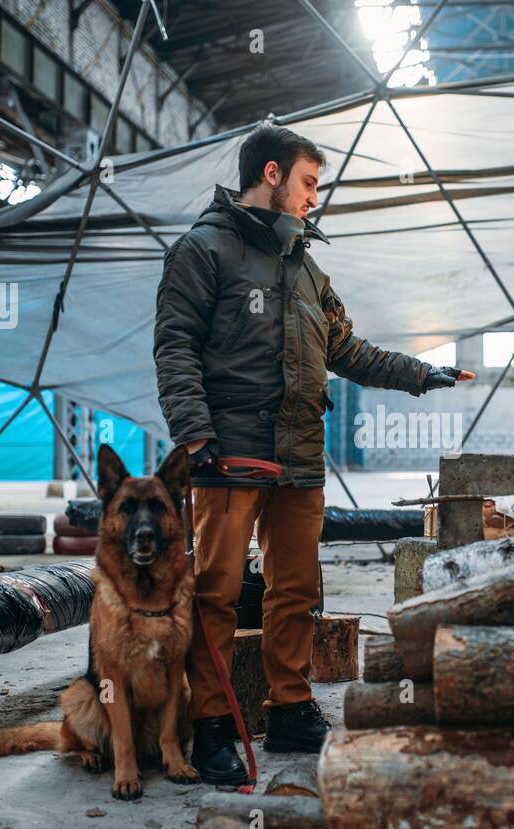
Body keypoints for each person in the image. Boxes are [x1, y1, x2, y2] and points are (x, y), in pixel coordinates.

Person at [154, 121, 474, 784]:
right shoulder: (203, 250)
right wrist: (197, 438)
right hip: (229, 456)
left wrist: (422, 373)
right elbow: (175, 346)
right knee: (216, 591)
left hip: (298, 458)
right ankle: (213, 724)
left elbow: (347, 350)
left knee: (294, 589)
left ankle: (292, 706)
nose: (313, 197)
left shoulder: (304, 265)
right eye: (308, 181)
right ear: (270, 173)